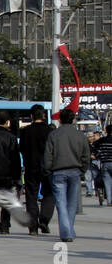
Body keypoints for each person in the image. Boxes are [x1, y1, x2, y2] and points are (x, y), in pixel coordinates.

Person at [44, 108, 90, 243]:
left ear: (60, 120)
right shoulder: (80, 135)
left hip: (58, 172)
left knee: (61, 203)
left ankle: (66, 232)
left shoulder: (54, 135)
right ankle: (69, 230)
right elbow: (86, 155)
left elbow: (48, 155)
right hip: (75, 171)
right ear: (73, 119)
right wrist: (83, 170)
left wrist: (48, 170)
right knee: (71, 204)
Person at [19, 104, 54, 235]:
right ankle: (44, 220)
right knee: (49, 194)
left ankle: (33, 226)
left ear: (31, 116)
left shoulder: (25, 131)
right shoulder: (50, 131)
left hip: (31, 167)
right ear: (44, 116)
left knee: (31, 196)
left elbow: (21, 148)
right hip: (47, 168)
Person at [94, 121, 112, 206]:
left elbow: (94, 145)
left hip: (105, 164)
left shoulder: (102, 140)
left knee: (107, 183)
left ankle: (109, 201)